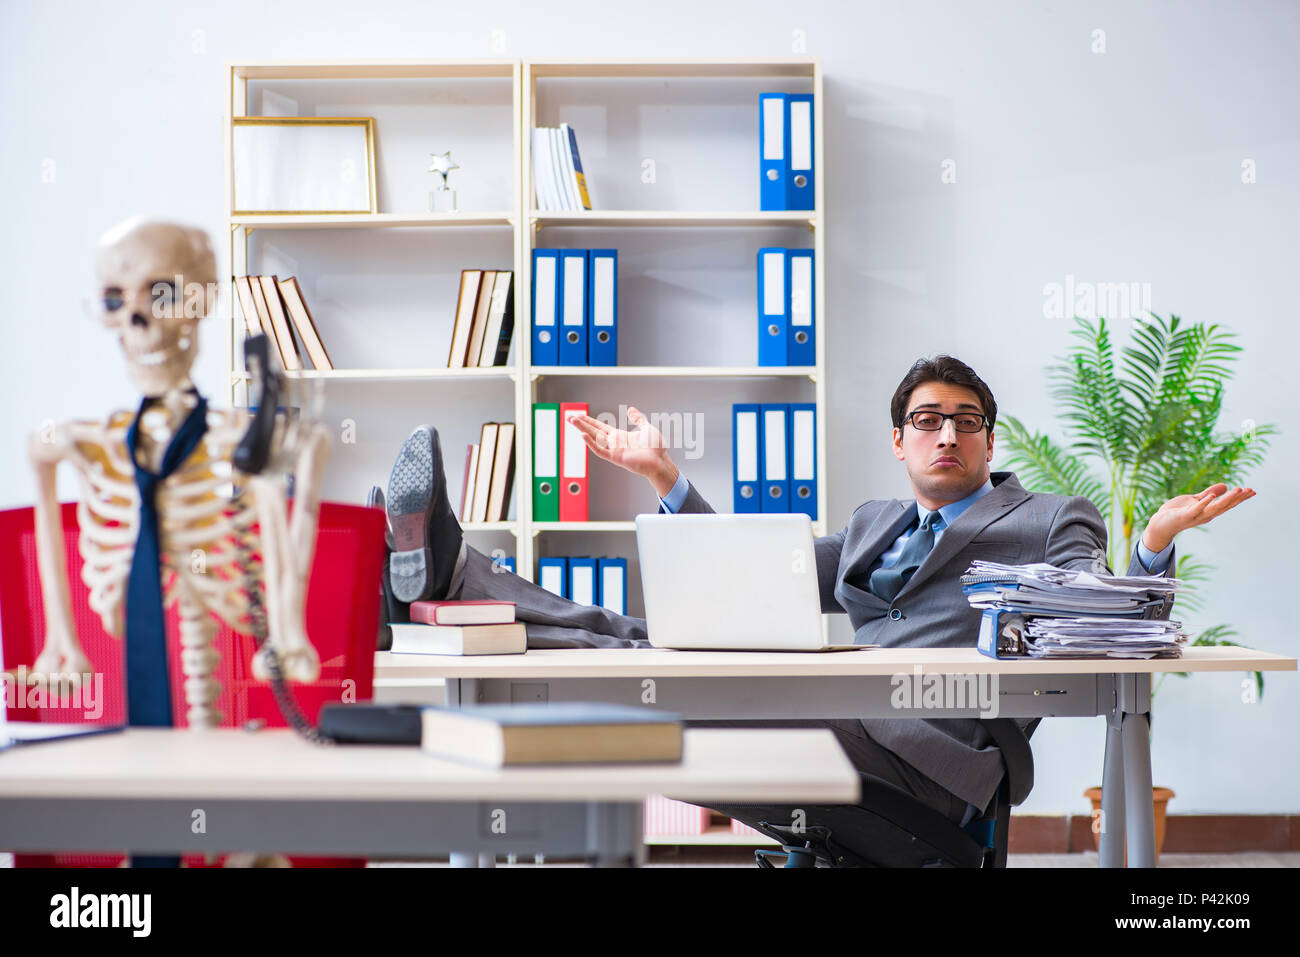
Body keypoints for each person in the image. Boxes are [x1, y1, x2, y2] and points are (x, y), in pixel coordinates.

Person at [380, 355, 1254, 829]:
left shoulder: (1051, 515)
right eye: (926, 419)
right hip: (835, 712)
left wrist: (1151, 545)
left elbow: (1094, 613)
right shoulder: (875, 520)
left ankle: (450, 585)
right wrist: (665, 478)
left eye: (965, 421)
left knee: (643, 678)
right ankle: (454, 579)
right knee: (635, 633)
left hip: (931, 751)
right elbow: (753, 574)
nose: (945, 432)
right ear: (899, 441)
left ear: (989, 440)